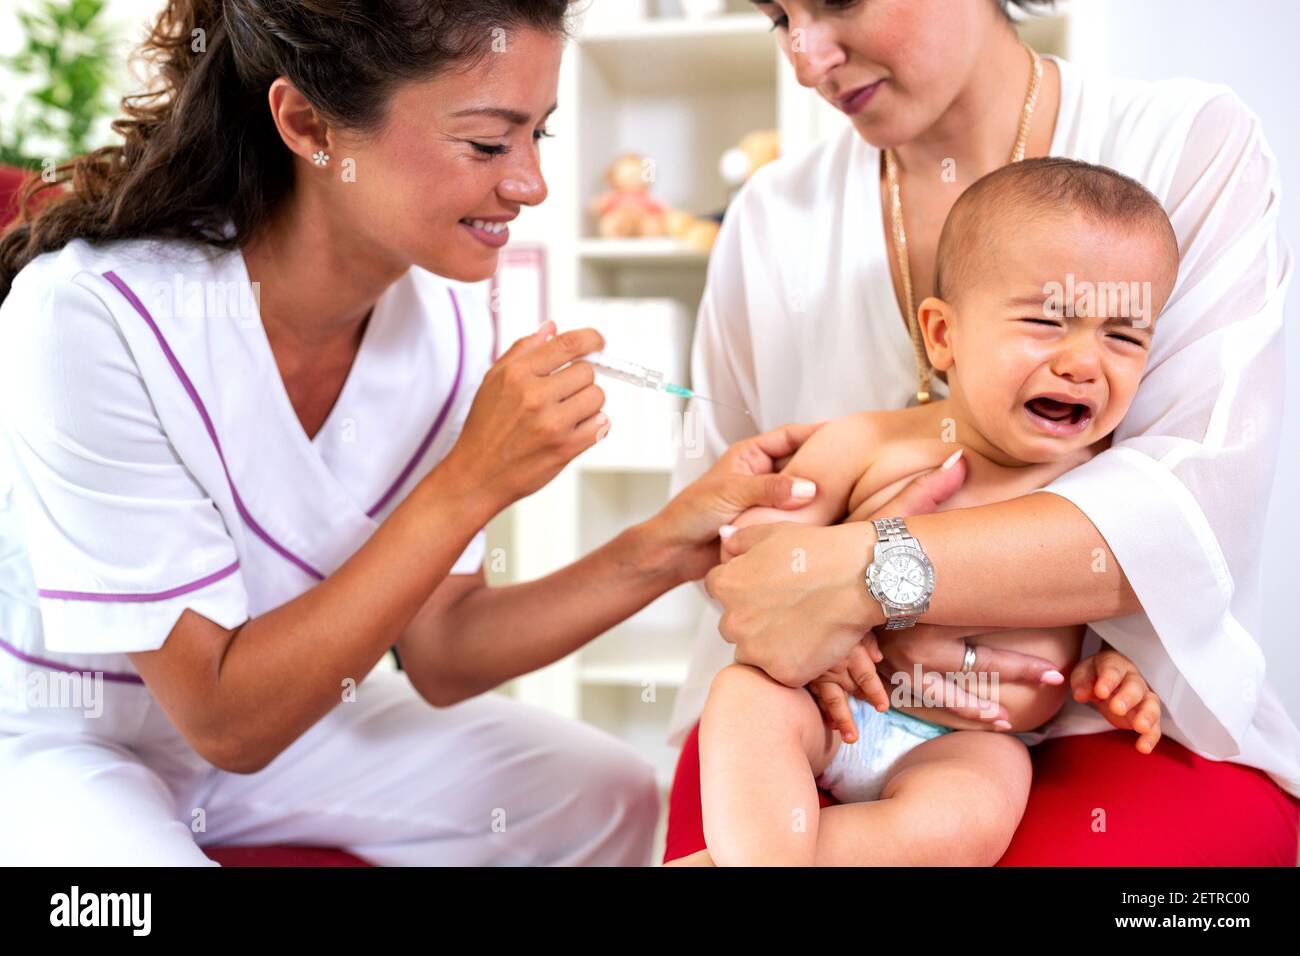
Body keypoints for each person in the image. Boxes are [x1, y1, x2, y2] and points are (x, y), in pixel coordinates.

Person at [0, 0, 835, 866]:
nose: (529, 185)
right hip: (70, 737)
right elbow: (224, 719)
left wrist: (669, 544)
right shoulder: (94, 317)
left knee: (608, 794)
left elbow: (442, 648)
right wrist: (476, 476)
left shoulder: (447, 319)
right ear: (308, 124)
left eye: (537, 137)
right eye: (486, 144)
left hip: (299, 733)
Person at [665, 0, 1300, 865]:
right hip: (828, 695)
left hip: (1026, 737)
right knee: (743, 715)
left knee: (997, 832)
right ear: (943, 332)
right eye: (777, 15)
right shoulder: (770, 220)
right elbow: (740, 544)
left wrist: (862, 581)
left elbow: (1186, 521)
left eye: (838, 0)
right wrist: (801, 605)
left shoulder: (1189, 146)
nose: (808, 56)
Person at [682, 157, 1176, 866]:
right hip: (829, 705)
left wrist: (1119, 672)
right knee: (743, 699)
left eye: (1123, 336)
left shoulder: (1105, 488)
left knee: (963, 825)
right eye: (1045, 320)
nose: (1082, 363)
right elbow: (757, 552)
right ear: (944, 336)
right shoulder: (869, 440)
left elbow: (1117, 612)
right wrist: (826, 617)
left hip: (972, 743)